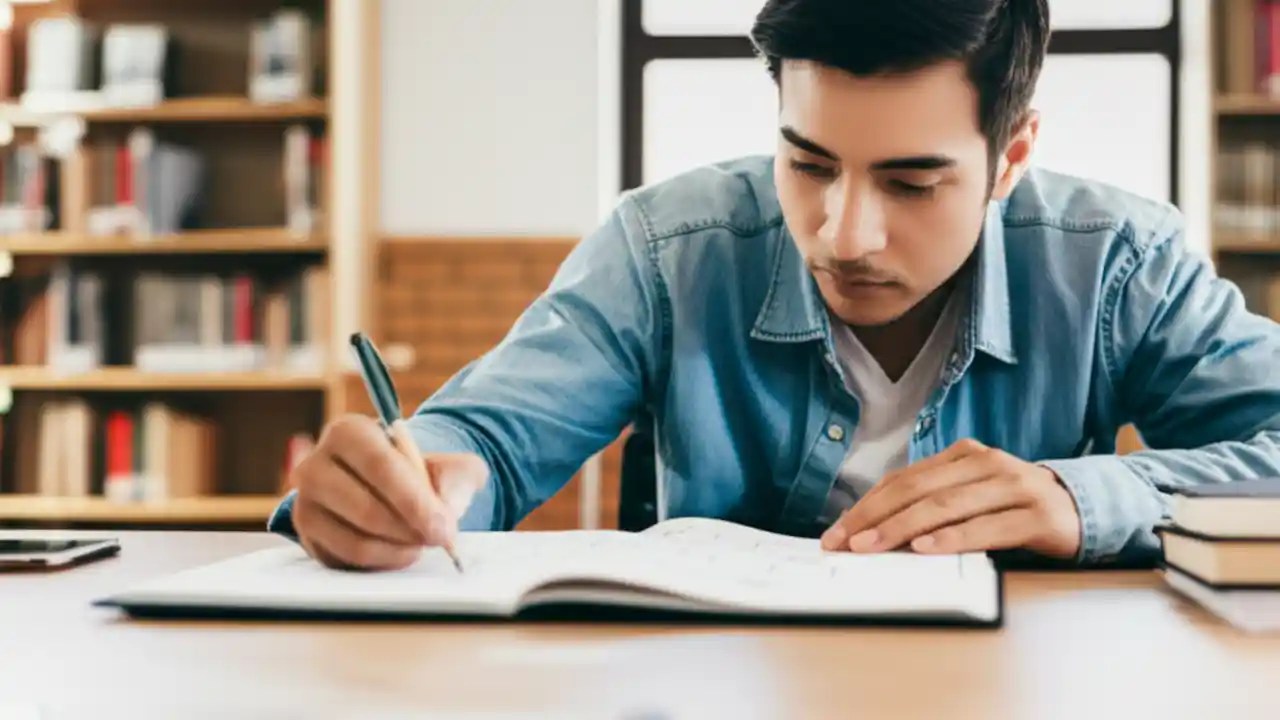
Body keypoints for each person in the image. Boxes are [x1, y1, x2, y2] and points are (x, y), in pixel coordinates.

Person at [270, 0, 1280, 571]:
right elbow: (483, 439)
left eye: (911, 180)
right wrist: (401, 488)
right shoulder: (668, 247)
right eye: (806, 163)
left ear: (1008, 155)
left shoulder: (1113, 264)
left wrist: (1081, 494)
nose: (842, 234)